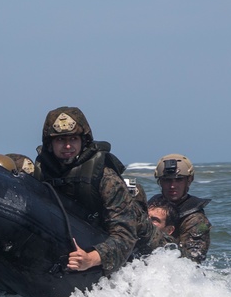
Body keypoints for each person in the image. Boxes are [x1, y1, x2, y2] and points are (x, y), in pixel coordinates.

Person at [35, 106, 168, 274]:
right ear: (49, 144)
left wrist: (91, 259)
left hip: (144, 246)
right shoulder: (43, 173)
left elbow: (126, 235)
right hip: (89, 235)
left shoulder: (105, 177)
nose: (67, 146)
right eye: (60, 140)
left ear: (83, 141)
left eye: (73, 139)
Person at [154, 153, 211, 262]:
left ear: (188, 181)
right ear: (160, 182)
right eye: (167, 180)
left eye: (179, 180)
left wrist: (155, 238)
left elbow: (193, 259)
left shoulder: (198, 221)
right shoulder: (153, 207)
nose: (172, 186)